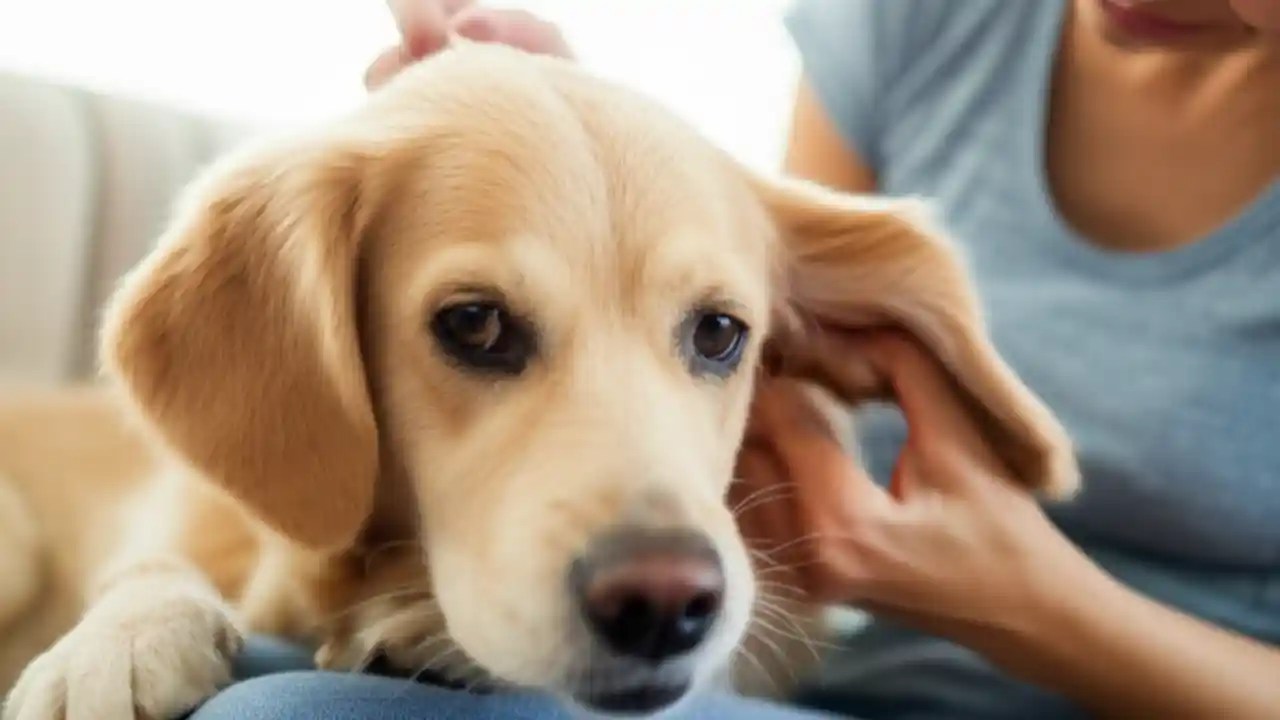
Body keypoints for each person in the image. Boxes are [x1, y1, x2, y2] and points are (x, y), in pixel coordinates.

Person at [191, 1, 1280, 718]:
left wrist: (1024, 601)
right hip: (821, 690)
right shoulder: (928, 19)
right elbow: (742, 330)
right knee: (249, 686)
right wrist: (560, 155)